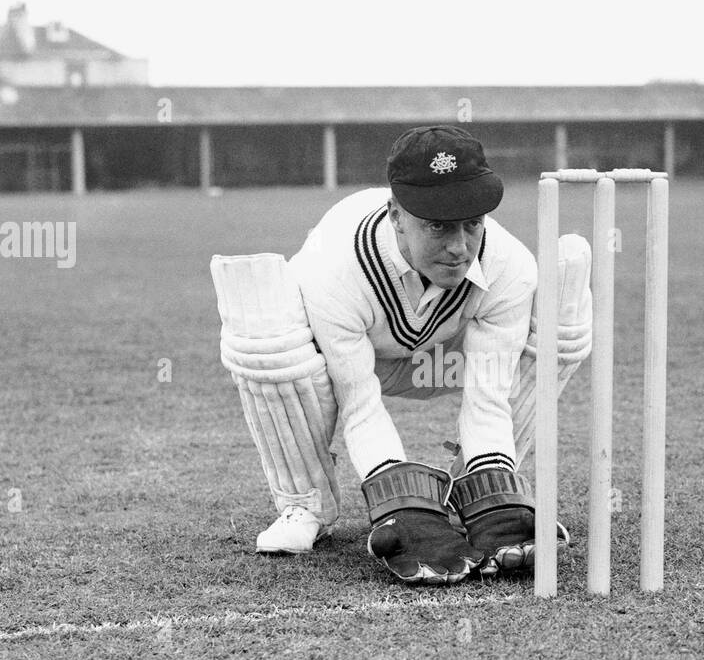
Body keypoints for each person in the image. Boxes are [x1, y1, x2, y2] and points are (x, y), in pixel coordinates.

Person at [210, 126, 591, 585]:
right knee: (267, 334)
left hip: (444, 361)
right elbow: (359, 402)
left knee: (559, 323)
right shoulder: (336, 267)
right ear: (395, 215)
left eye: (472, 224)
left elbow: (490, 395)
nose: (459, 248)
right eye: (437, 225)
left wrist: (494, 476)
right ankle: (303, 504)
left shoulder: (508, 265)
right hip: (340, 368)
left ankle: (483, 493)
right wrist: (400, 501)